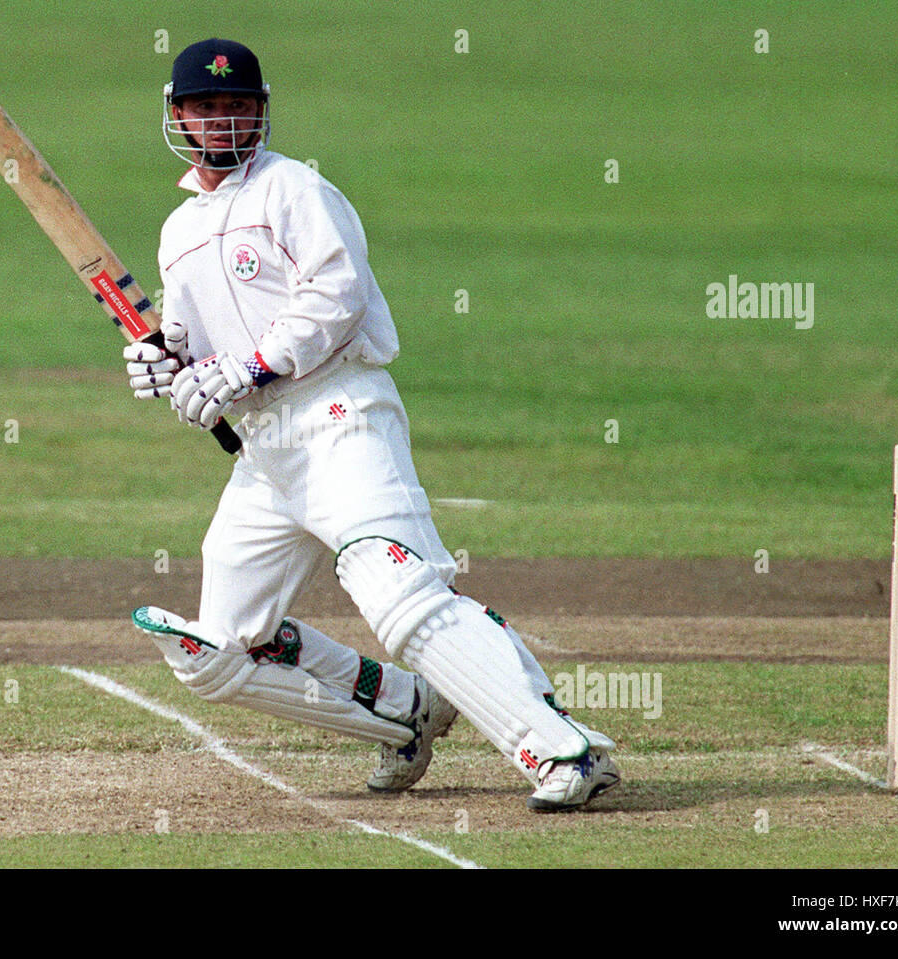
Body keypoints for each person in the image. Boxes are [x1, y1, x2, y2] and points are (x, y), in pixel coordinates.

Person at [123, 38, 620, 810]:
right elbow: (193, 343)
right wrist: (169, 368)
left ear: (260, 112)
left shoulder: (295, 190)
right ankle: (403, 711)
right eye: (206, 107)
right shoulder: (178, 231)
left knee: (399, 591)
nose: (223, 120)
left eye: (239, 106)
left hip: (338, 415)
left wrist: (249, 366)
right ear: (177, 114)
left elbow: (336, 296)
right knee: (216, 651)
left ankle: (566, 751)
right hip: (264, 455)